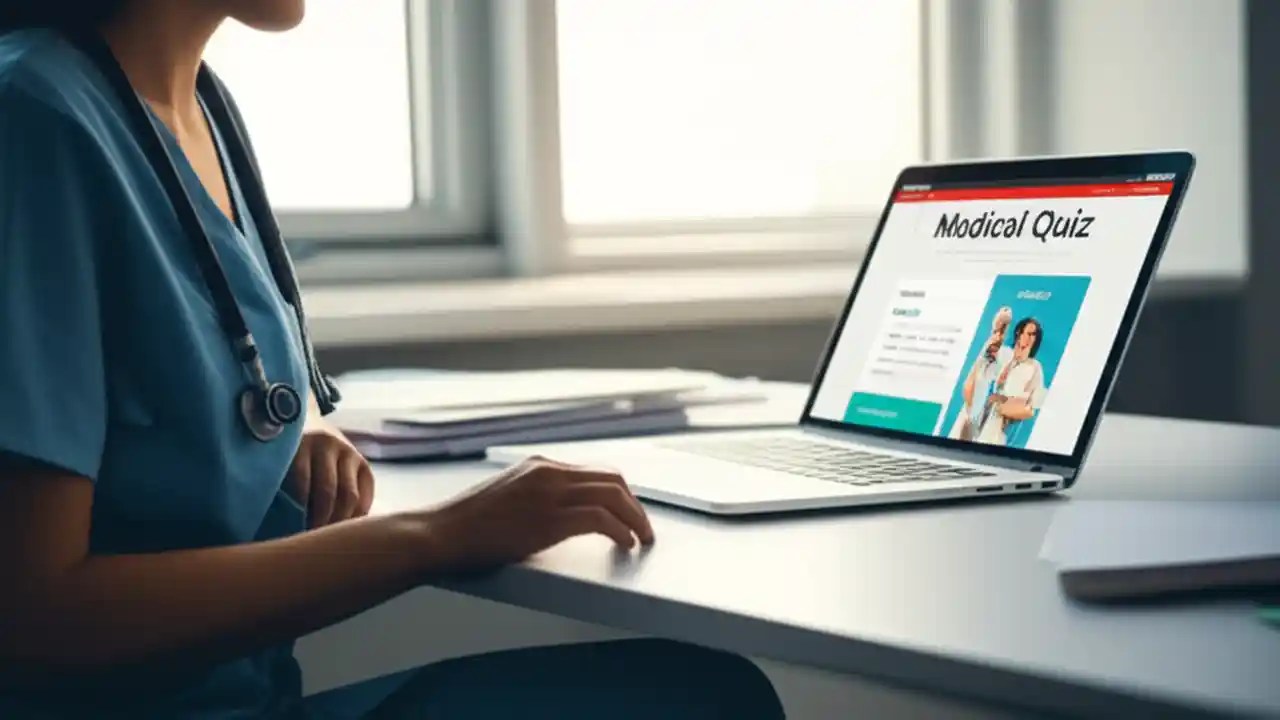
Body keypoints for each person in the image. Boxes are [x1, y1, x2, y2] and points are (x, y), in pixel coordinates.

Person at [0, 1, 785, 718]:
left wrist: (282, 435)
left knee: (703, 690)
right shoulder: (31, 117)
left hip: (253, 697)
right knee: (706, 702)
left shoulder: (197, 104)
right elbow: (35, 614)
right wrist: (433, 537)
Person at [976, 317, 1048, 447]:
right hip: (983, 415)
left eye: (1034, 335)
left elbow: (1034, 406)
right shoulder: (1003, 353)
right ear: (1018, 333)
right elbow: (983, 367)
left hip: (1006, 425)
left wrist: (1005, 404)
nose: (1031, 338)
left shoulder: (1035, 367)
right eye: (1028, 333)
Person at [950, 306, 1013, 441]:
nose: (1000, 334)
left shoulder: (1007, 354)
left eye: (1004, 328)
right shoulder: (987, 352)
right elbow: (969, 387)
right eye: (998, 328)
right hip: (975, 411)